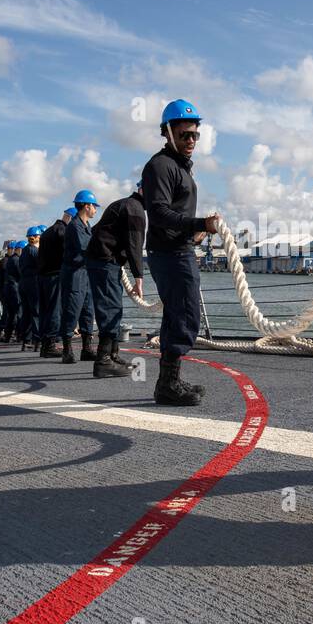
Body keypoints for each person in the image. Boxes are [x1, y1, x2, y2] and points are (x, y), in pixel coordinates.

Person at [142, 99, 220, 406]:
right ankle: (168, 385)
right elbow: (159, 212)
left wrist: (196, 231)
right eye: (184, 134)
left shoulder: (179, 168)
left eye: (195, 135)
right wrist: (199, 223)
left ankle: (169, 381)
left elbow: (174, 215)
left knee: (177, 313)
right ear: (168, 132)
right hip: (170, 253)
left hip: (178, 248)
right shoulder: (160, 166)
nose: (191, 141)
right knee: (186, 314)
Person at [85, 180, 147, 379]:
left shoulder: (123, 204)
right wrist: (138, 276)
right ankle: (103, 361)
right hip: (105, 262)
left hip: (103, 261)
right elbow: (134, 245)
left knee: (113, 307)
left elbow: (96, 231)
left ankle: (113, 355)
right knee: (109, 308)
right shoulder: (135, 209)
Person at [60, 190, 100, 364]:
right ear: (86, 206)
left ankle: (86, 349)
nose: (95, 210)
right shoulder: (75, 226)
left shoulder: (86, 225)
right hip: (75, 274)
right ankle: (67, 350)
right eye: (94, 206)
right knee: (72, 310)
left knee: (87, 311)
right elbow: (87, 248)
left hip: (86, 273)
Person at [36, 214, 68, 357]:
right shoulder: (63, 231)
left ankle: (45, 344)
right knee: (55, 310)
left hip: (43, 276)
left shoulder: (47, 232)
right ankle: (50, 344)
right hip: (56, 275)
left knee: (45, 310)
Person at [16, 226, 44, 349]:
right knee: (36, 311)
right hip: (33, 283)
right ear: (37, 237)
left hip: (23, 283)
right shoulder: (34, 251)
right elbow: (41, 265)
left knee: (26, 312)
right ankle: (37, 339)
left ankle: (25, 339)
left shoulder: (25, 251)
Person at [0, 242, 22, 342]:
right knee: (9, 313)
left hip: (5, 289)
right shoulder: (6, 261)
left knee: (8, 313)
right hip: (7, 289)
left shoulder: (5, 261)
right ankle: (2, 332)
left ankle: (4, 333)